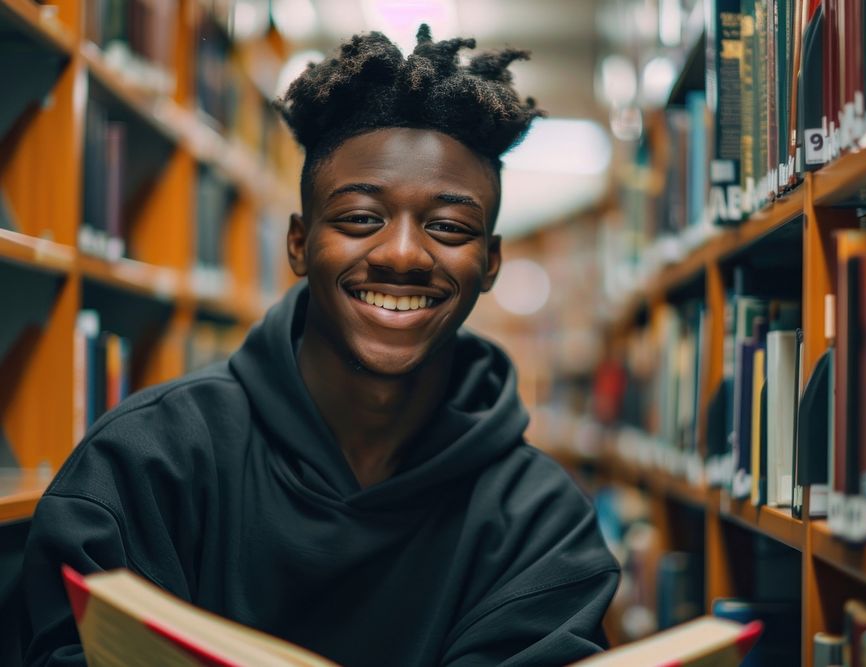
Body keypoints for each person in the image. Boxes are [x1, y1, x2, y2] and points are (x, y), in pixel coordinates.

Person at [22, 25, 620, 667]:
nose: (402, 254)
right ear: (299, 244)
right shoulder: (146, 464)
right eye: (361, 218)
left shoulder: (544, 526)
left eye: (448, 227)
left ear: (491, 262)